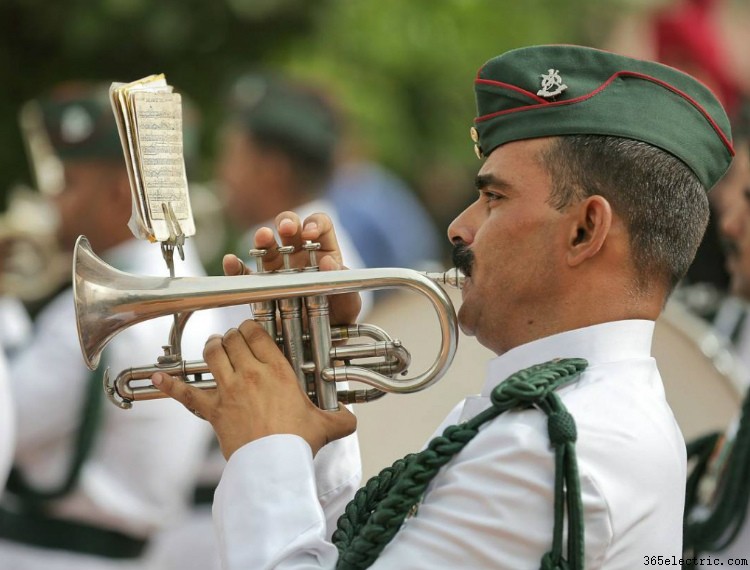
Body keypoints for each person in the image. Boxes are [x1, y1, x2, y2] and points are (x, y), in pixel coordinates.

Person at [153, 44, 733, 567]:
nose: (459, 226)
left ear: (585, 230)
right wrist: (308, 392)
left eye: (493, 198)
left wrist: (265, 444)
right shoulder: (555, 422)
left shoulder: (549, 450)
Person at [0, 82, 222, 570]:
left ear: (121, 192)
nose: (53, 199)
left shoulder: (97, 305)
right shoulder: (199, 291)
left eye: (68, 182)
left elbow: (6, 427)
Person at [149, 72, 365, 570]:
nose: (221, 173)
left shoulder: (317, 263)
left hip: (266, 504)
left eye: (230, 154)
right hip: (244, 496)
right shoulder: (279, 249)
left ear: (269, 168)